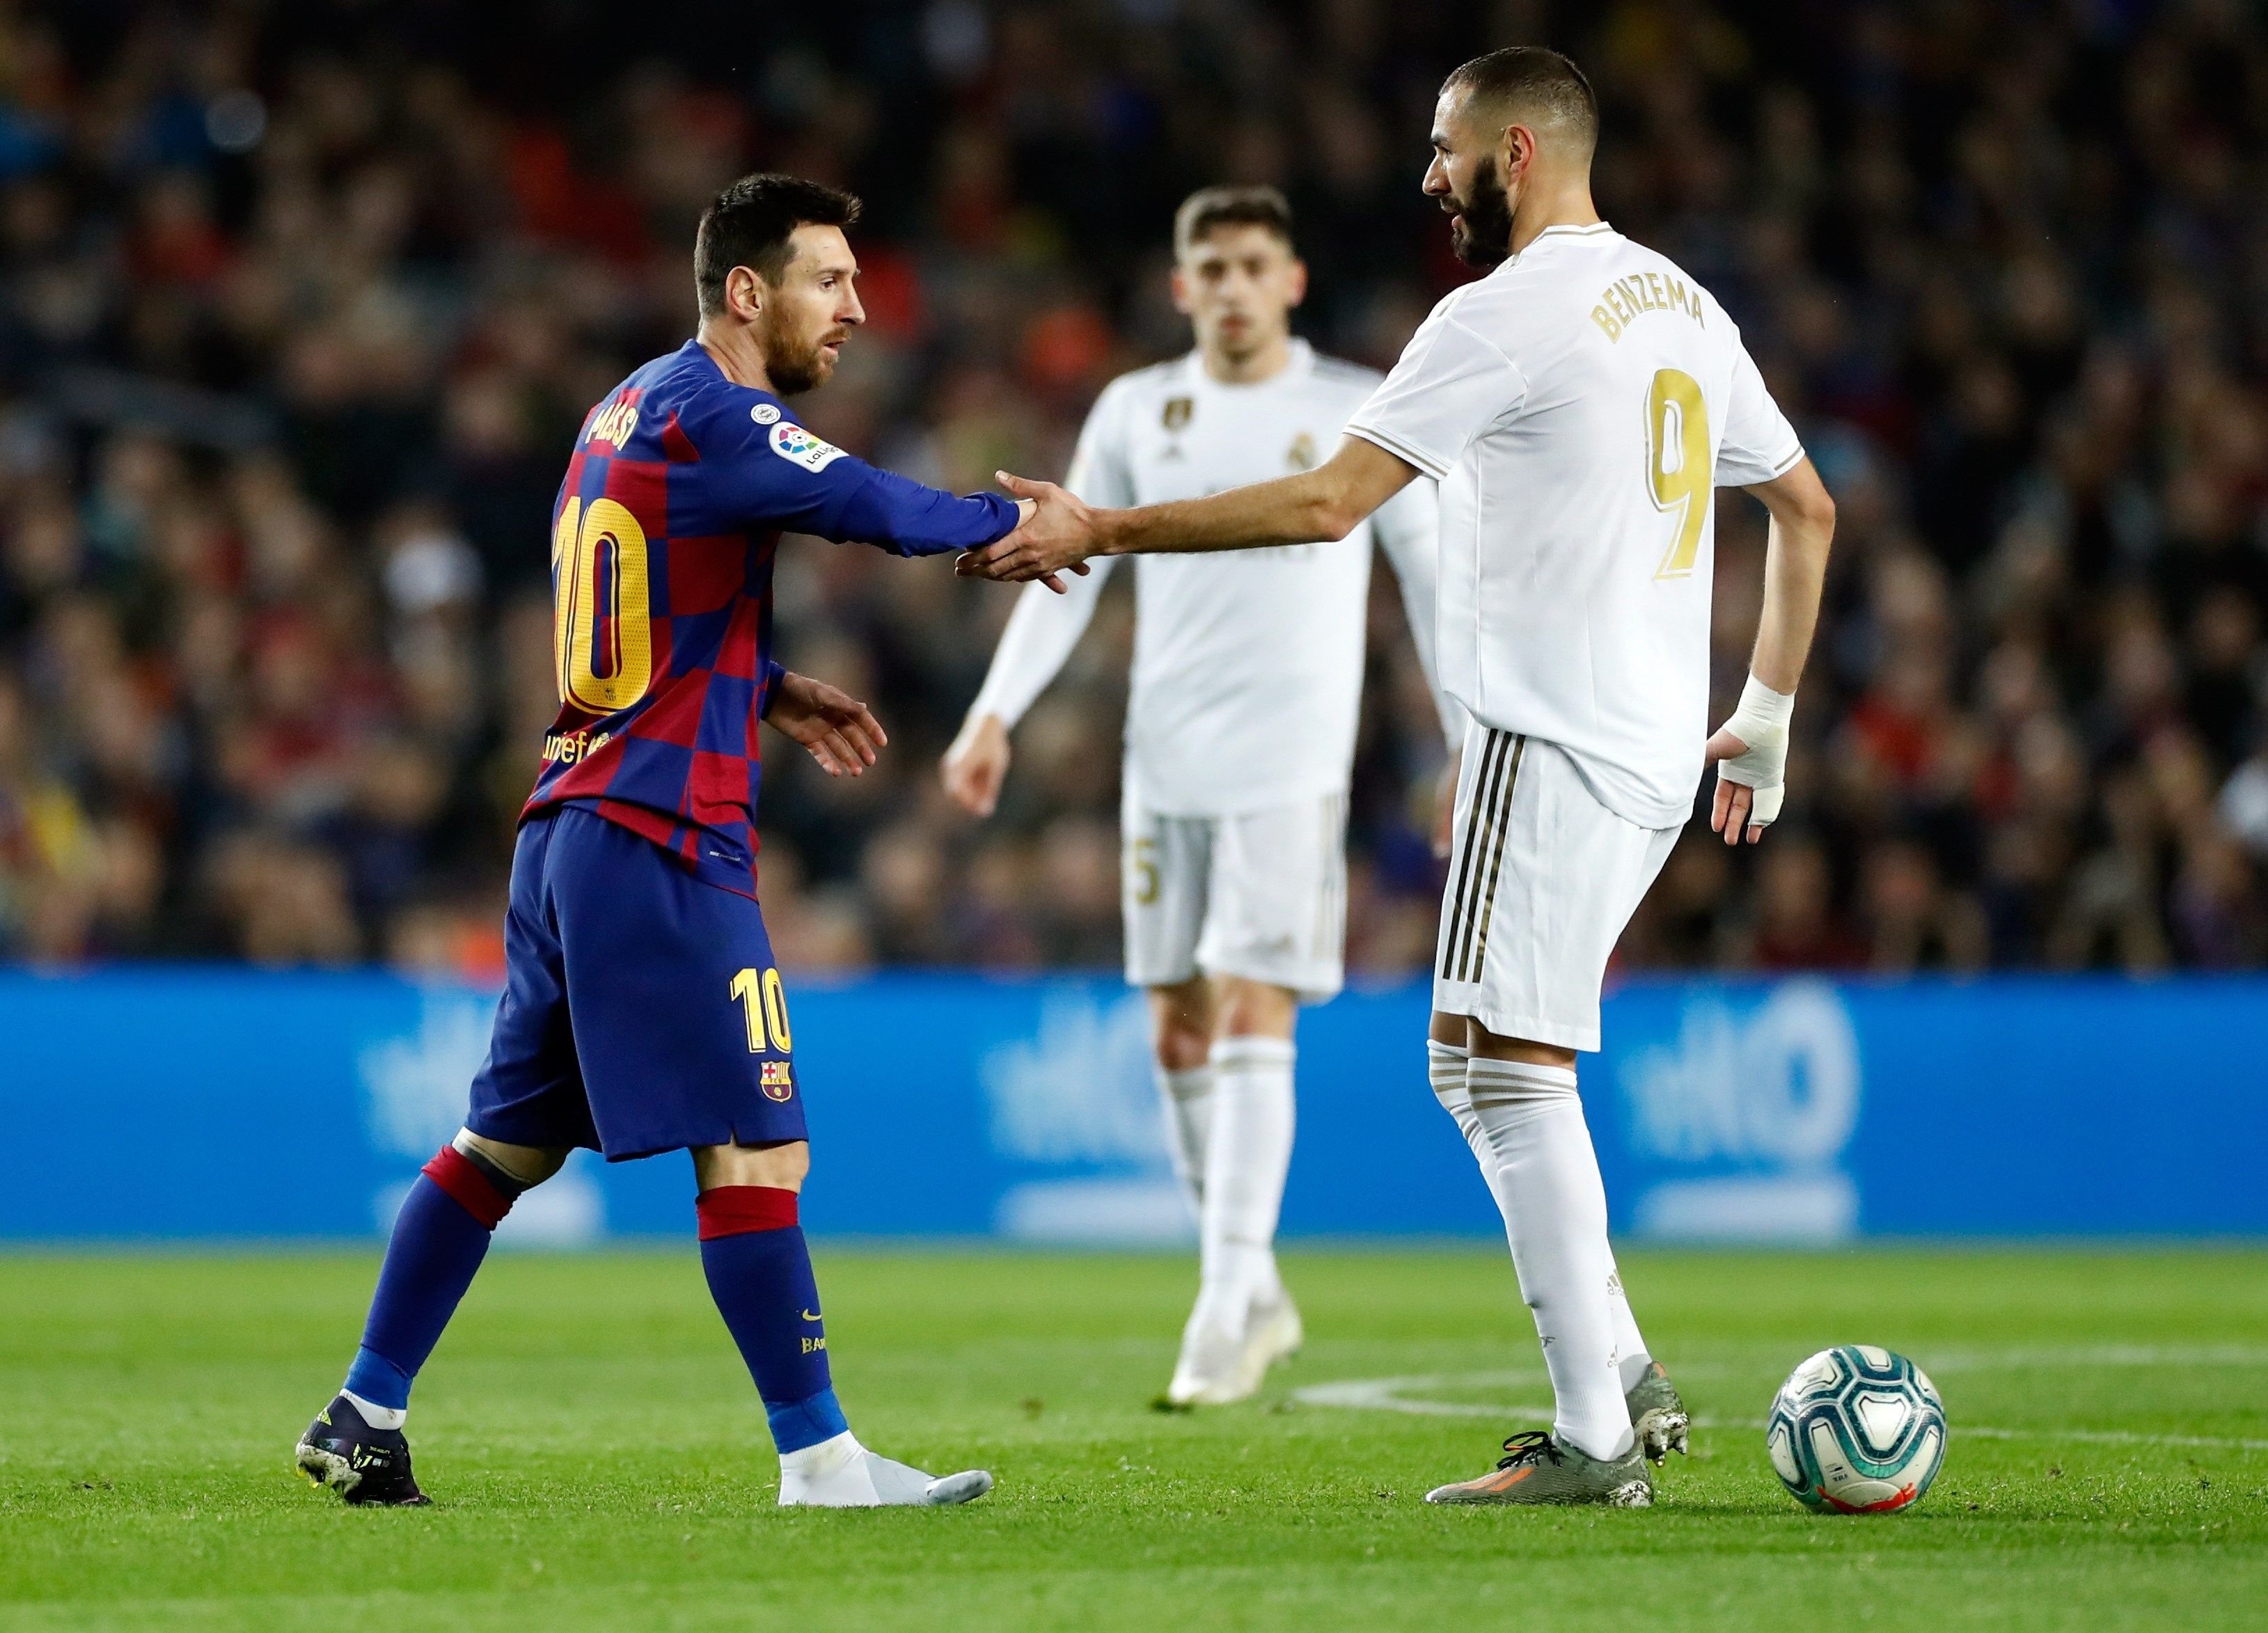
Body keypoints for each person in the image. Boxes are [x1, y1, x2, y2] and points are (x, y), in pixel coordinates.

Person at [959, 48, 1837, 1506]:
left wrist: (1097, 529)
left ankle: (1597, 1438)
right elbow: (1804, 508)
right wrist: (1766, 716)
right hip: (1654, 752)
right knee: (1486, 1060)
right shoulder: (1684, 303)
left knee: (1498, 1070)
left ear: (1513, 153)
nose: (1425, 178)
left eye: (1441, 152)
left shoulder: (1502, 315)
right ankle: (1617, 1371)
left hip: (1548, 737)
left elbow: (1325, 503)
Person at [295, 174, 1038, 1510]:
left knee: (500, 1149)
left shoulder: (624, 406)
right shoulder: (718, 411)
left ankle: (364, 1404)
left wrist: (760, 679)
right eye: (832, 281)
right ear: (746, 292)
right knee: (754, 1148)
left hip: (570, 824)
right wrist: (1020, 525)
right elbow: (865, 503)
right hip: (658, 835)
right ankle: (819, 1459)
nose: (858, 310)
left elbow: (637, 608)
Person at [939, 187, 1463, 1407]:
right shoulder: (1136, 407)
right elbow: (1059, 563)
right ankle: (1249, 1280)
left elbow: (1430, 576)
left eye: (1251, 265)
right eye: (1208, 268)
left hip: (1291, 762)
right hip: (1164, 756)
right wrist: (993, 713)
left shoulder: (1353, 407)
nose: (1230, 286)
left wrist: (1457, 740)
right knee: (1175, 1021)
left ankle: (1225, 1302)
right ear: (1181, 289)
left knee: (1251, 1006)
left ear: (1290, 282)